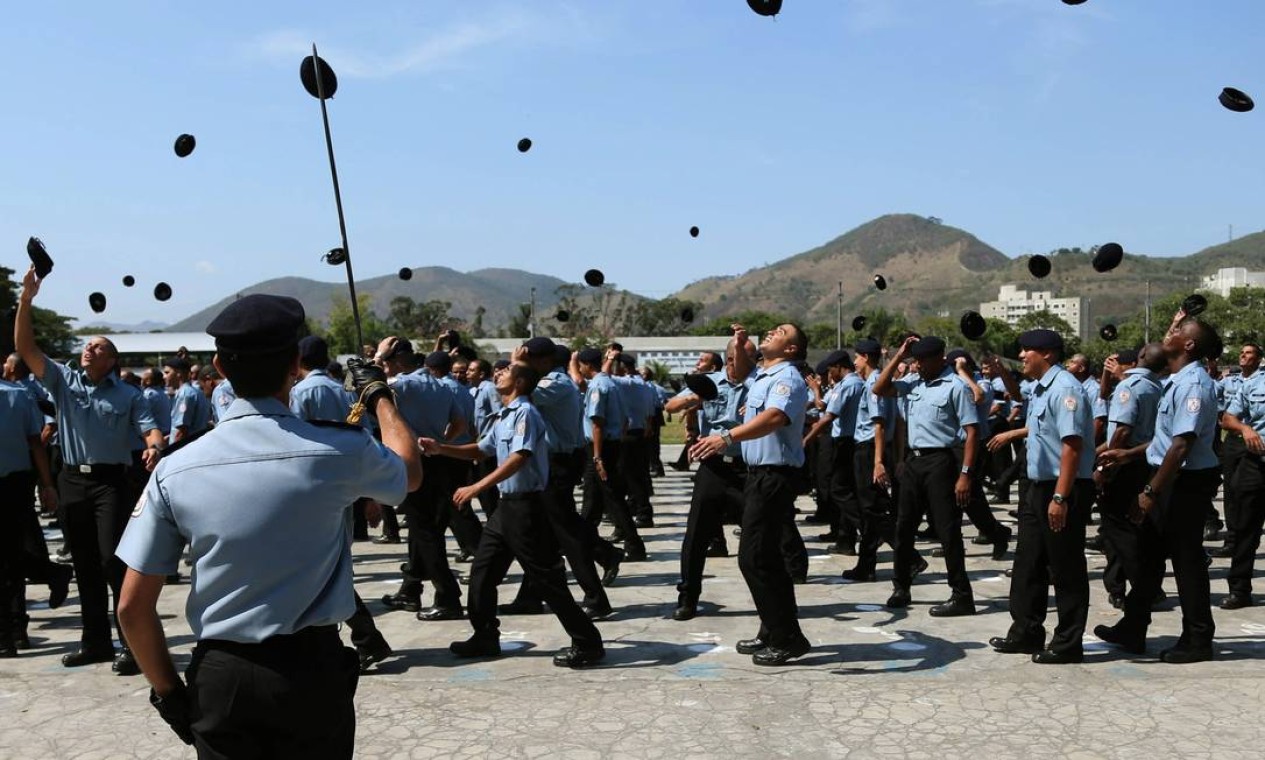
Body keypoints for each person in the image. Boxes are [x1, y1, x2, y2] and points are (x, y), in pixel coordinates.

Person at [114, 295, 420, 757]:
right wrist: (379, 396)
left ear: (219, 365)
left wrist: (170, 695)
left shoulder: (176, 468)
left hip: (223, 675)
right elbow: (409, 472)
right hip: (311, 673)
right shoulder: (338, 450)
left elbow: (132, 609)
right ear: (296, 363)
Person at [14, 265, 164, 675]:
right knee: (83, 565)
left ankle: (133, 646)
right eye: (88, 345)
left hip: (111, 483)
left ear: (113, 359)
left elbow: (150, 429)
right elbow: (26, 348)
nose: (89, 349)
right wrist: (26, 299)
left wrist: (154, 446)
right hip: (72, 481)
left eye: (98, 347)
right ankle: (95, 643)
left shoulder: (130, 395)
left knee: (112, 562)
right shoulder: (64, 382)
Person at [421, 361, 606, 667]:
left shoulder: (526, 414)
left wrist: (476, 486)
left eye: (505, 372)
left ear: (519, 382)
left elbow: (521, 456)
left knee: (547, 580)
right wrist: (441, 448)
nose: (497, 374)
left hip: (527, 508)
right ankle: (485, 636)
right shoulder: (503, 416)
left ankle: (587, 642)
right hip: (506, 507)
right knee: (482, 573)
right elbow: (482, 449)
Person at [1099, 314, 1222, 663]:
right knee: (1149, 559)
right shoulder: (1176, 380)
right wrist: (1130, 454)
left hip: (1184, 484)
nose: (1171, 333)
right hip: (1168, 477)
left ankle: (1198, 639)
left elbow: (1181, 447)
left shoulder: (1193, 385)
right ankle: (1133, 629)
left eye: (1178, 330)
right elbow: (1166, 439)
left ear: (1189, 345)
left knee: (1187, 561)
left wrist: (1150, 492)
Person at [689, 323, 813, 666]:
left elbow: (774, 417)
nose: (773, 332)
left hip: (775, 475)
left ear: (791, 349)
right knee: (767, 558)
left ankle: (788, 637)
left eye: (782, 331)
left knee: (754, 558)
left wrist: (726, 438)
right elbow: (741, 371)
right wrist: (740, 343)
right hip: (758, 475)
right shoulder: (763, 375)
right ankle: (774, 630)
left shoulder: (787, 378)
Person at [987, 329, 1094, 664]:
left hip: (1062, 487)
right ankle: (1026, 631)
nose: (1022, 357)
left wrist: (1060, 498)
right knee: (1028, 562)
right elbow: (1041, 430)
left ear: (1047, 354)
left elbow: (1072, 446)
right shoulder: (1041, 389)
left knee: (1065, 567)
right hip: (1037, 486)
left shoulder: (1066, 389)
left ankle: (1068, 643)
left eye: (1026, 351)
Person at [290, 335, 393, 670]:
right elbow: (362, 441)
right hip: (344, 487)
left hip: (312, 492)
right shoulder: (344, 391)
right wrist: (369, 495)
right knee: (333, 564)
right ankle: (362, 639)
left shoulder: (300, 394)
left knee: (319, 568)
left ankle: (362, 639)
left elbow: (293, 447)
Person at [505, 338, 619, 618]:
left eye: (529, 359)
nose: (526, 364)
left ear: (544, 361)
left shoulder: (554, 383)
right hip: (549, 464)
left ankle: (596, 597)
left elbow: (513, 391)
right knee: (543, 535)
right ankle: (530, 596)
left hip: (558, 465)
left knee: (566, 535)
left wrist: (516, 365)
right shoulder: (550, 381)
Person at [873, 335, 977, 616]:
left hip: (941, 462)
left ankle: (961, 594)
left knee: (947, 530)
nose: (917, 365)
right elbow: (879, 388)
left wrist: (965, 474)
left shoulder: (955, 387)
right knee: (904, 527)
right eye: (914, 360)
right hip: (913, 462)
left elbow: (971, 433)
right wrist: (899, 354)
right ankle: (901, 586)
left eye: (922, 360)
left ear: (939, 358)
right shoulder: (913, 383)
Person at [376, 338, 467, 618]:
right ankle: (411, 589)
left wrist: (377, 358)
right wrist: (439, 441)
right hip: (437, 460)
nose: (387, 366)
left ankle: (448, 595)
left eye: (390, 360)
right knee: (423, 529)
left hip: (411, 462)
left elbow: (364, 386)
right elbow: (461, 423)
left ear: (399, 360)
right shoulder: (443, 386)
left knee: (424, 532)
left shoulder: (401, 385)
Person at [668, 332, 756, 620]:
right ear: (731, 359)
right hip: (713, 467)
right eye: (747, 357)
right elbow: (670, 405)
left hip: (745, 468)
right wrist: (694, 400)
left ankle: (779, 591)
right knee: (696, 534)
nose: (752, 363)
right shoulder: (711, 382)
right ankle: (688, 597)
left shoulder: (758, 384)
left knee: (762, 533)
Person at [1090, 344, 1165, 636]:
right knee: (1138, 537)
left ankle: (1142, 598)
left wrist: (1103, 469)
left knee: (1121, 537)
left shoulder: (1130, 386)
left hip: (1124, 466)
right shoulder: (1156, 386)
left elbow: (1121, 432)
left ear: (1139, 360)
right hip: (1146, 465)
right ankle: (1142, 600)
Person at [0, 372, 59, 656]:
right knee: (12, 559)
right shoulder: (19, 395)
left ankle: (9, 633)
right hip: (16, 484)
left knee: (10, 559)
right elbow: (35, 443)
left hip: (14, 485)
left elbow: (36, 441)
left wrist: (47, 485)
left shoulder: (18, 395)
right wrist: (46, 484)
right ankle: (15, 631)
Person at [573, 347, 647, 562]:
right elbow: (624, 420)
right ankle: (582, 541)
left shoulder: (597, 386)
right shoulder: (612, 383)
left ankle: (634, 543)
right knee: (594, 499)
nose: (580, 369)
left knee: (612, 497)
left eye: (580, 365)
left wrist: (597, 457)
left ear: (587, 365)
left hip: (600, 447)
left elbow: (597, 423)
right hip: (612, 444)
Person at [842, 338, 897, 582]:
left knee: (872, 510)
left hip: (869, 450)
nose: (854, 362)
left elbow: (879, 425)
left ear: (865, 357)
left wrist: (877, 462)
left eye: (856, 357)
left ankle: (910, 556)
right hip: (869, 449)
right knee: (869, 511)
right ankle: (866, 565)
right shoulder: (875, 382)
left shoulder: (875, 382)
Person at [1215, 344, 1265, 610]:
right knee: (1245, 528)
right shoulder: (1253, 384)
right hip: (1256, 463)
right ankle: (1240, 589)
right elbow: (1228, 418)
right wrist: (1245, 428)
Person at [802, 350, 863, 555]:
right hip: (843, 440)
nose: (829, 374)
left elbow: (827, 415)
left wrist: (807, 438)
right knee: (842, 491)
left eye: (830, 370)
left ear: (838, 366)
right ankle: (846, 539)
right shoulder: (845, 385)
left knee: (839, 490)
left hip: (846, 441)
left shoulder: (849, 385)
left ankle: (868, 528)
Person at [163, 357, 212, 444]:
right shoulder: (196, 392)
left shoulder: (185, 394)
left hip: (186, 447)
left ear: (178, 373)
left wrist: (174, 450)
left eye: (167, 373)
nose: (164, 376)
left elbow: (182, 430)